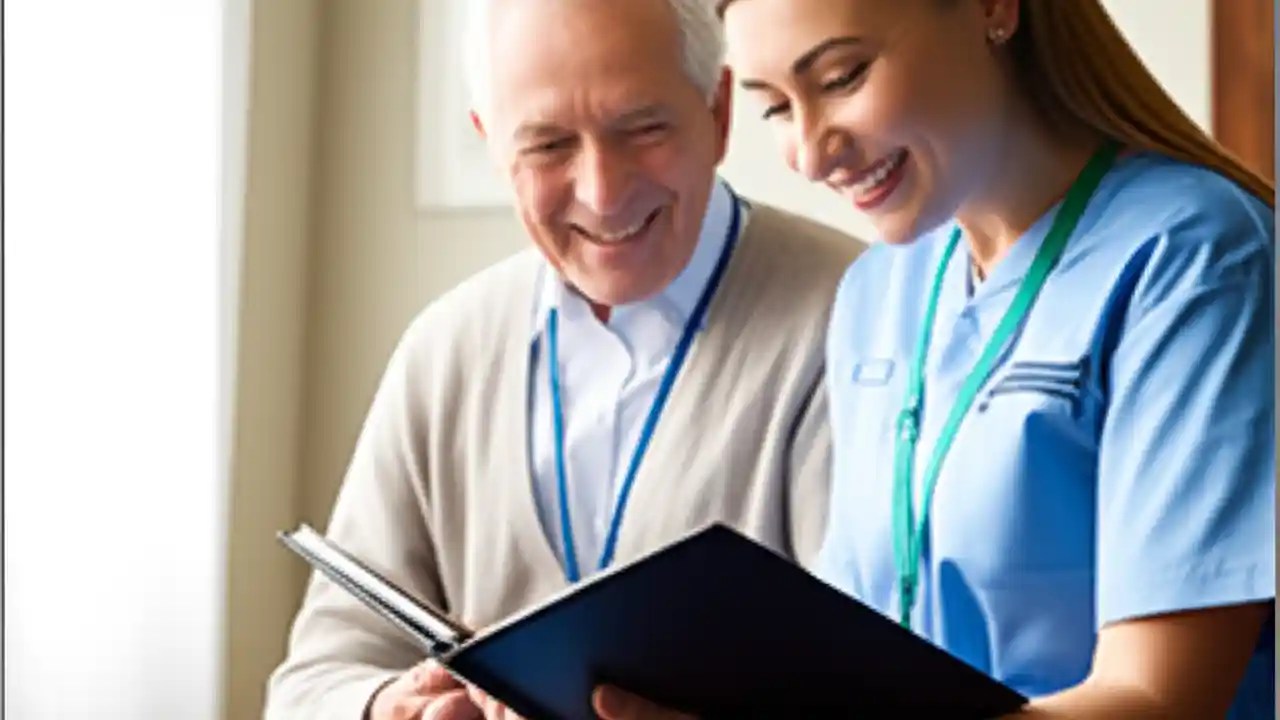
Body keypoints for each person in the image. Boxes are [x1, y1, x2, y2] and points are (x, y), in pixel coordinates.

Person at [583, 0, 1276, 718]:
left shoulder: (1196, 259)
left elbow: (1160, 698)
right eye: (777, 109)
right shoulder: (879, 291)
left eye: (842, 77)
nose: (812, 156)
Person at [262, 0, 867, 717]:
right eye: (549, 145)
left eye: (642, 129)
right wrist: (393, 705)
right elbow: (309, 685)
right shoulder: (445, 352)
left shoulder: (861, 324)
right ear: (493, 145)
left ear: (718, 112)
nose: (603, 194)